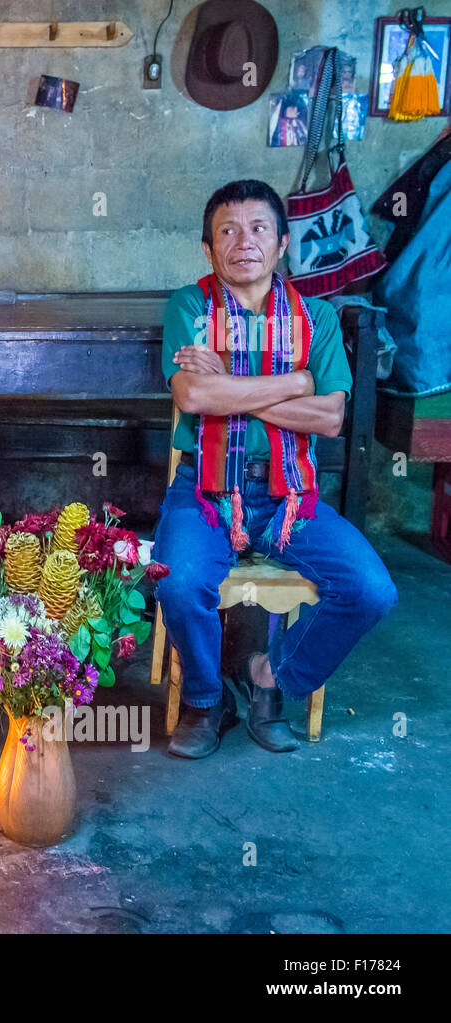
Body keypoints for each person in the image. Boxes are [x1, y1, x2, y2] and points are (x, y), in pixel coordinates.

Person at [154, 179, 397, 760]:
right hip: (206, 486)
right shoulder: (189, 305)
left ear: (283, 242)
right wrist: (294, 381)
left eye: (259, 228)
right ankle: (207, 701)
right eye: (227, 231)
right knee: (180, 580)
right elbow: (192, 398)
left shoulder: (318, 318)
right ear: (208, 249)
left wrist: (228, 385)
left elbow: (331, 416)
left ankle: (270, 675)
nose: (244, 242)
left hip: (290, 495)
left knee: (371, 590)